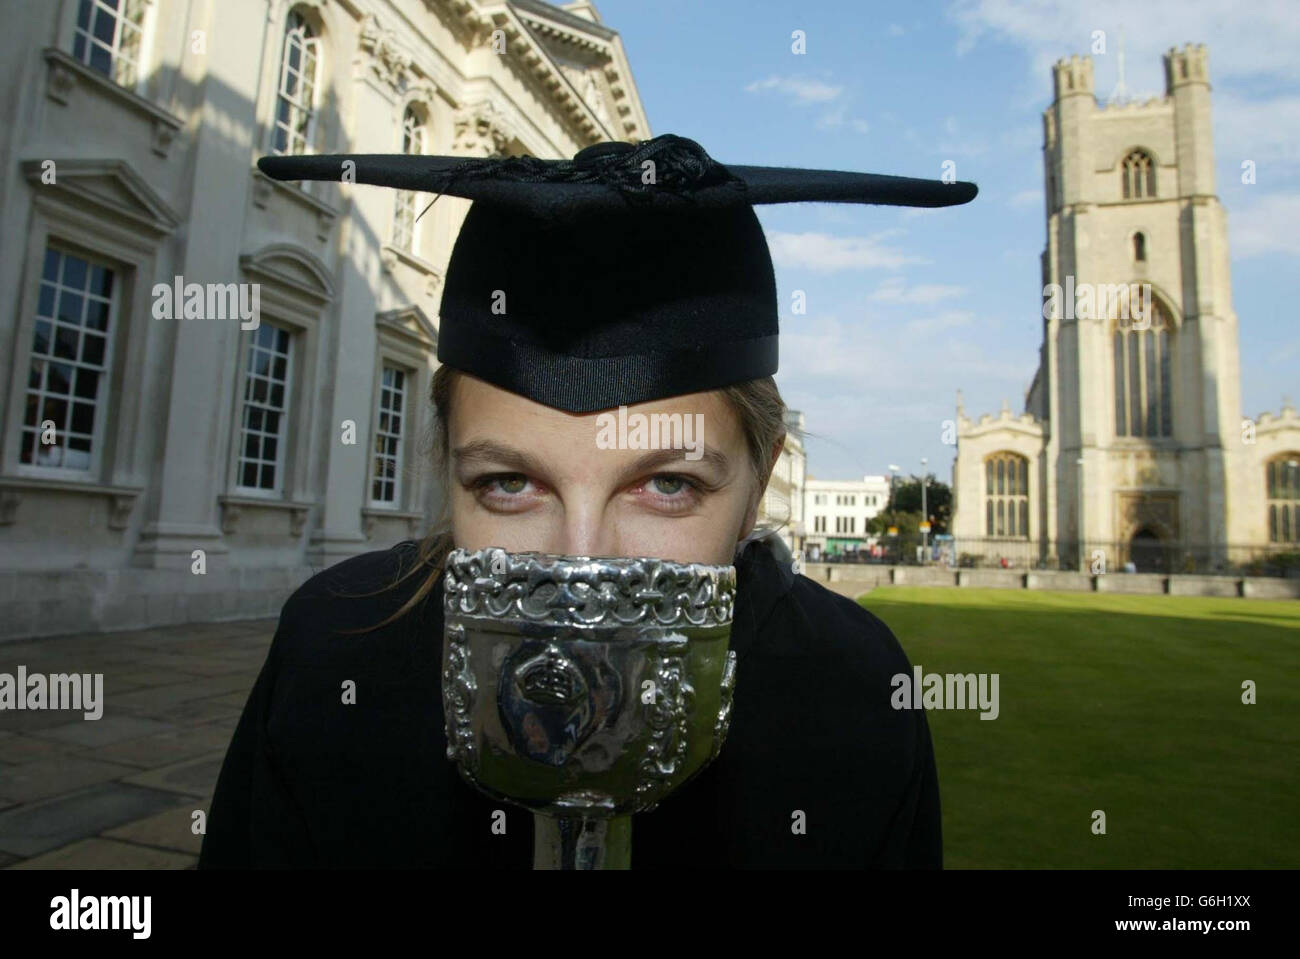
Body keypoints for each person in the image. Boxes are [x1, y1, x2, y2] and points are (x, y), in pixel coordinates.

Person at [199, 134, 976, 868]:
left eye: (667, 485)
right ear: (445, 463)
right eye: (509, 483)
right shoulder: (333, 653)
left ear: (758, 484)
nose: (580, 563)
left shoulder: (854, 696)